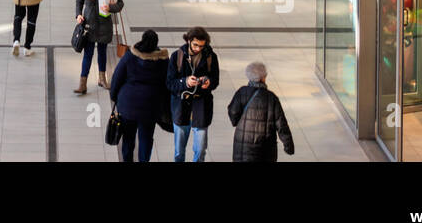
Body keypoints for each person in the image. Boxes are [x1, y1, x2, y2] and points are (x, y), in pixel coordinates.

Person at [109, 29, 172, 162]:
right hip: (150, 108)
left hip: (128, 105)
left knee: (128, 138)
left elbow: (117, 77)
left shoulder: (130, 55)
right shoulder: (163, 60)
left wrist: (114, 96)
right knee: (146, 139)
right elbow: (168, 83)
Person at [167, 26, 220, 162]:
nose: (198, 49)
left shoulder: (211, 57)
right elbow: (170, 83)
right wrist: (185, 82)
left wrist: (208, 82)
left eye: (201, 46)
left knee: (200, 150)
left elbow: (215, 80)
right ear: (189, 40)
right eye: (195, 45)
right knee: (179, 151)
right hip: (181, 108)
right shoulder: (177, 56)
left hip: (201, 108)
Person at [228, 61, 295, 162]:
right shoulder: (271, 98)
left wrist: (237, 122)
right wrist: (288, 145)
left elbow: (233, 112)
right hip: (265, 148)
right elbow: (281, 124)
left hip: (243, 145)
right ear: (263, 78)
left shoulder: (241, 92)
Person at [74, 0, 123, 94]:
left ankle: (102, 79)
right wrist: (78, 15)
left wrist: (110, 8)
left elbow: (120, 4)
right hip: (89, 27)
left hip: (104, 27)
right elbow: (79, 1)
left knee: (102, 53)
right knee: (88, 55)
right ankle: (82, 84)